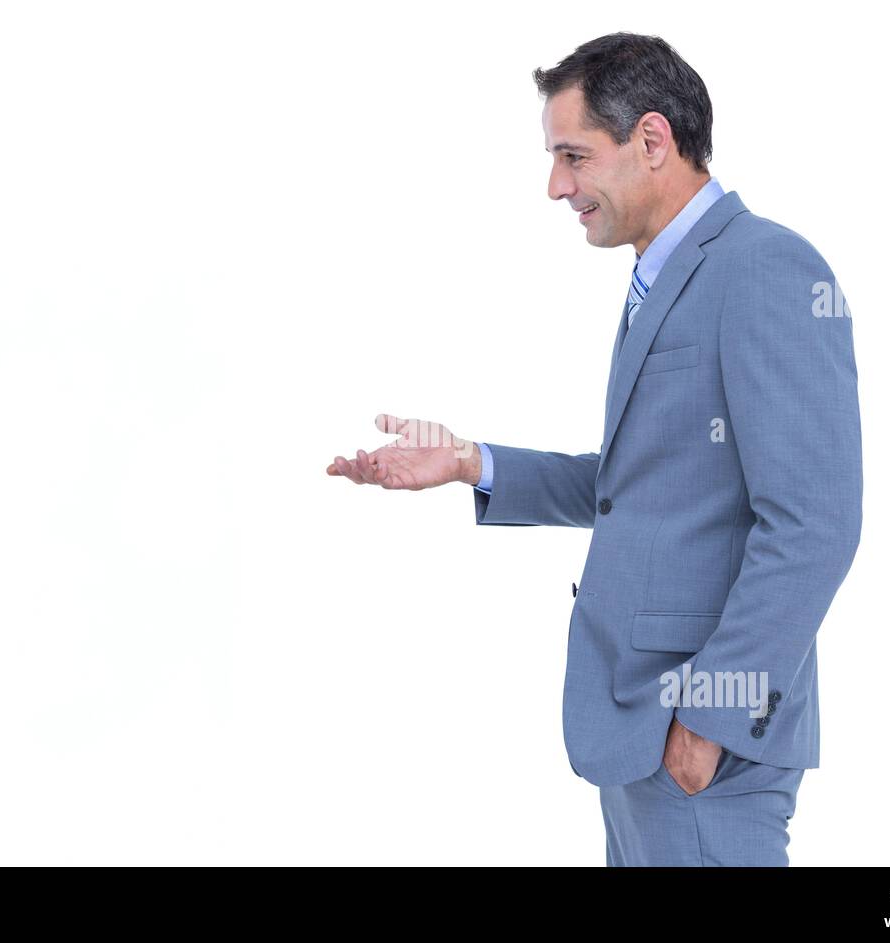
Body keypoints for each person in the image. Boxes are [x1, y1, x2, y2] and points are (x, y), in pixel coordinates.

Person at [326, 32, 861, 866]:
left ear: (652, 140)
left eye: (574, 155)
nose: (556, 186)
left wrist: (707, 725)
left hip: (703, 745)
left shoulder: (766, 269)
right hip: (639, 726)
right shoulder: (663, 275)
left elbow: (815, 525)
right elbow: (642, 486)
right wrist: (472, 461)